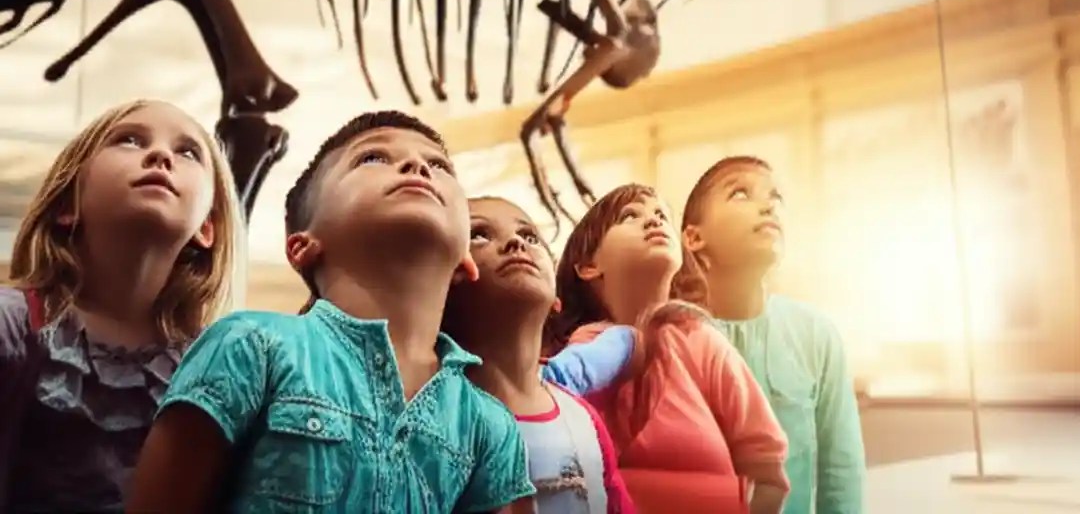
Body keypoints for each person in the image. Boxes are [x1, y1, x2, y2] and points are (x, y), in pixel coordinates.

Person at [126, 111, 535, 513]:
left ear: (465, 258)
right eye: (372, 158)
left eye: (439, 165)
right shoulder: (249, 345)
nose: (417, 166)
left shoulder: (490, 426)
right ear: (302, 245)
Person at [0, 99, 245, 512]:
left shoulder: (224, 367)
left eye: (188, 152)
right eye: (128, 140)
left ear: (208, 227)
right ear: (67, 205)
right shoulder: (12, 324)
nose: (160, 155)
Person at [549, 184, 790, 514]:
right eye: (630, 215)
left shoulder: (699, 339)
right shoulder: (579, 355)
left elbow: (767, 470)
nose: (653, 221)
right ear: (588, 265)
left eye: (661, 214)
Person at [678, 156, 866, 514]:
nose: (767, 206)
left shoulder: (816, 335)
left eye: (775, 197)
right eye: (740, 193)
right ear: (693, 237)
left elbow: (841, 472)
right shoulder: (671, 340)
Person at [443, 196, 635, 514]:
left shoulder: (583, 417)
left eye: (530, 237)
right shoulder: (440, 416)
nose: (516, 242)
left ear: (556, 299)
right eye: (478, 234)